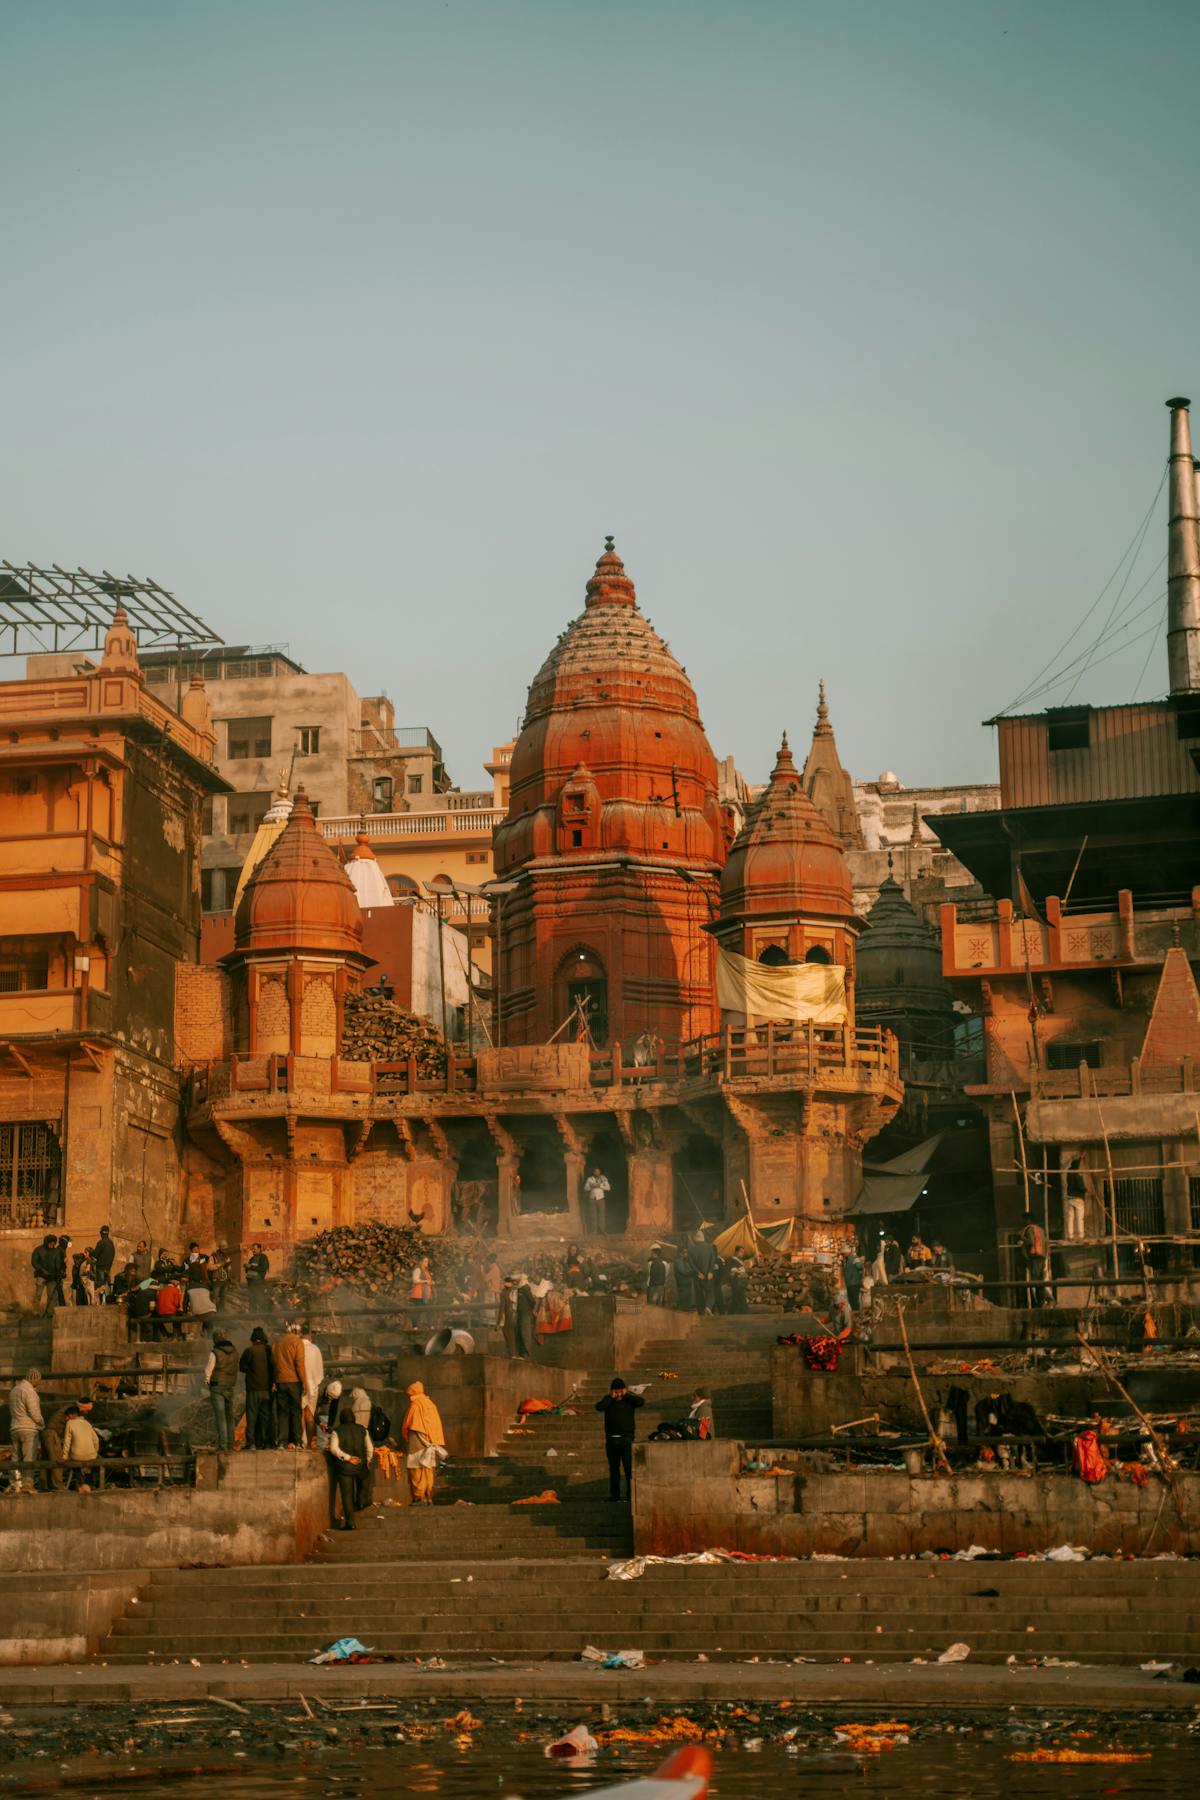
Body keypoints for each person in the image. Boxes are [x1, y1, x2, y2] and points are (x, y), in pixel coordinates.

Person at [595, 1377, 644, 1504]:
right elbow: (599, 1407)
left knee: (628, 1469)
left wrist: (626, 1395)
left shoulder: (629, 1400)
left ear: (624, 1390)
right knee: (614, 1469)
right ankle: (614, 1495)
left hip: (626, 1439)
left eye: (620, 1391)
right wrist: (611, 1397)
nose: (618, 1394)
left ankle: (630, 1495)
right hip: (611, 1440)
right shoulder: (608, 1400)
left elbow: (641, 1402)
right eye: (615, 1391)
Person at [326, 1397, 372, 1531]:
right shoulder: (362, 1429)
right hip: (360, 1465)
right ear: (353, 1418)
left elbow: (334, 1449)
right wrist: (367, 1461)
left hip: (345, 1467)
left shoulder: (337, 1431)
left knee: (347, 1495)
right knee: (364, 1481)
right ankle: (362, 1502)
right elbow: (369, 1448)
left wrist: (347, 1458)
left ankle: (350, 1522)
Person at [402, 1380, 446, 1505]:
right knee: (428, 1471)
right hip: (432, 1444)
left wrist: (423, 1442)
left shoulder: (415, 1405)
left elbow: (413, 1425)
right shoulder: (431, 1404)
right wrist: (431, 1442)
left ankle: (418, 1497)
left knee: (415, 1471)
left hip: (417, 1443)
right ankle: (428, 1497)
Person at [43, 1396, 94, 1491]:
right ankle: (58, 1486)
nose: (87, 1413)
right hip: (52, 1434)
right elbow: (71, 1431)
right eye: (87, 1410)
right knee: (57, 1460)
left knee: (47, 1461)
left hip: (49, 1433)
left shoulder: (70, 1408)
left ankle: (45, 1486)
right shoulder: (73, 1411)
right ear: (82, 1407)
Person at [272, 1321, 306, 1447]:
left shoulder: (277, 1343)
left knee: (282, 1412)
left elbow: (274, 1364)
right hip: (294, 1382)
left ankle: (282, 1441)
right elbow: (299, 1365)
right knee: (296, 1411)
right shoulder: (297, 1342)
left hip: (280, 1381)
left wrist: (275, 1380)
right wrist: (304, 1383)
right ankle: (297, 1440)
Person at [9, 1368, 44, 1486]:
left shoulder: (14, 1390)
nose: (39, 1383)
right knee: (29, 1458)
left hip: (15, 1427)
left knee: (16, 1458)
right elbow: (34, 1413)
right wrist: (42, 1424)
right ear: (34, 1378)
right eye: (39, 1380)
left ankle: (15, 1484)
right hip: (29, 1429)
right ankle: (27, 1484)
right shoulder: (30, 1391)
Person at [204, 1333, 239, 1451]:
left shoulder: (215, 1352)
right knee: (230, 1417)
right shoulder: (234, 1351)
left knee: (221, 1417)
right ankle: (231, 1445)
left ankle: (223, 1446)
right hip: (229, 1386)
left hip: (217, 1386)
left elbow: (208, 1369)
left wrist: (207, 1381)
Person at [62, 1404, 101, 1489]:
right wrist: (95, 1451)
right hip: (91, 1455)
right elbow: (96, 1440)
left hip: (77, 1456)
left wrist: (64, 1456)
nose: (66, 1418)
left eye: (67, 1416)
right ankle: (90, 1484)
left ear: (72, 1415)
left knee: (74, 1465)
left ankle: (81, 1483)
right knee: (95, 1465)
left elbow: (67, 1442)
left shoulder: (69, 1423)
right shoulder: (87, 1423)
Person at [301, 1324, 325, 1449]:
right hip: (313, 1385)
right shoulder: (315, 1349)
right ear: (310, 1337)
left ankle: (301, 1441)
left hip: (301, 1385)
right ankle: (310, 1443)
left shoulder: (298, 1347)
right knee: (310, 1415)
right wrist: (315, 1383)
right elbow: (320, 1371)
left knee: (300, 1413)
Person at [1020, 1220, 1050, 1308]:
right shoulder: (1040, 1229)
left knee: (1036, 1281)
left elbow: (1030, 1242)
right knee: (1039, 1280)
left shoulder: (1030, 1229)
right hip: (1042, 1257)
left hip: (1035, 1258)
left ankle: (1046, 1300)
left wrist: (1022, 1239)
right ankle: (1041, 1302)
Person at [687, 1231, 718, 1315]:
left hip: (698, 1277)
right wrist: (710, 1272)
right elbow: (713, 1260)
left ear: (695, 1239)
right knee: (710, 1293)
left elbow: (691, 1263)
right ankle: (708, 1307)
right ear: (703, 1238)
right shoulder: (710, 1247)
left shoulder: (690, 1250)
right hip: (708, 1275)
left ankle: (701, 1313)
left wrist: (698, 1273)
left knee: (699, 1294)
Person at [31, 1235, 58, 1315]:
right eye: (50, 1243)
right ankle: (36, 1311)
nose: (52, 1245)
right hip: (41, 1275)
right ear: (46, 1243)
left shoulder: (55, 1251)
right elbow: (34, 1262)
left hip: (52, 1276)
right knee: (38, 1295)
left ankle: (49, 1312)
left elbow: (57, 1262)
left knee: (51, 1295)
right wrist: (42, 1270)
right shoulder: (38, 1250)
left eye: (53, 1244)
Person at [154, 1274, 183, 1339]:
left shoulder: (161, 1290)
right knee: (179, 1316)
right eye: (178, 1281)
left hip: (161, 1313)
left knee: (156, 1321)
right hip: (171, 1313)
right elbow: (177, 1304)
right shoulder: (175, 1290)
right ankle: (176, 1336)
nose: (178, 1283)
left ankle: (165, 1334)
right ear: (174, 1282)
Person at [583, 1167, 610, 1235]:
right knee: (593, 1216)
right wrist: (591, 1186)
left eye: (598, 1171)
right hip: (592, 1200)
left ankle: (603, 1231)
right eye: (595, 1171)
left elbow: (608, 1188)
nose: (596, 1172)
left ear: (600, 1172)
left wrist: (599, 1186)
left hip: (601, 1199)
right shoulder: (590, 1179)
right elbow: (585, 1188)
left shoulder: (603, 1178)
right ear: (593, 1172)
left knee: (602, 1216)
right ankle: (593, 1232)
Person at [92, 1226, 116, 1301]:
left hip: (100, 1268)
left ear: (101, 1233)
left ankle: (100, 1303)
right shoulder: (111, 1243)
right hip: (108, 1268)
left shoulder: (101, 1242)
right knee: (106, 1286)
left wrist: (91, 1251)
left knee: (100, 1287)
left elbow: (95, 1254)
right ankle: (105, 1302)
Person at [672, 1245, 695, 1312]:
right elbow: (684, 1272)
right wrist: (694, 1271)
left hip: (687, 1285)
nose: (687, 1254)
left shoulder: (685, 1261)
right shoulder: (679, 1261)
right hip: (683, 1285)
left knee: (686, 1306)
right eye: (685, 1253)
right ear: (681, 1254)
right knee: (682, 1306)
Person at [52, 1237, 70, 1307]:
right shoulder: (59, 1250)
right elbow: (58, 1263)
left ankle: (61, 1305)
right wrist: (61, 1272)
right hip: (58, 1274)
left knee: (59, 1290)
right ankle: (61, 1306)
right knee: (59, 1290)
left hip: (60, 1273)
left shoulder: (61, 1250)